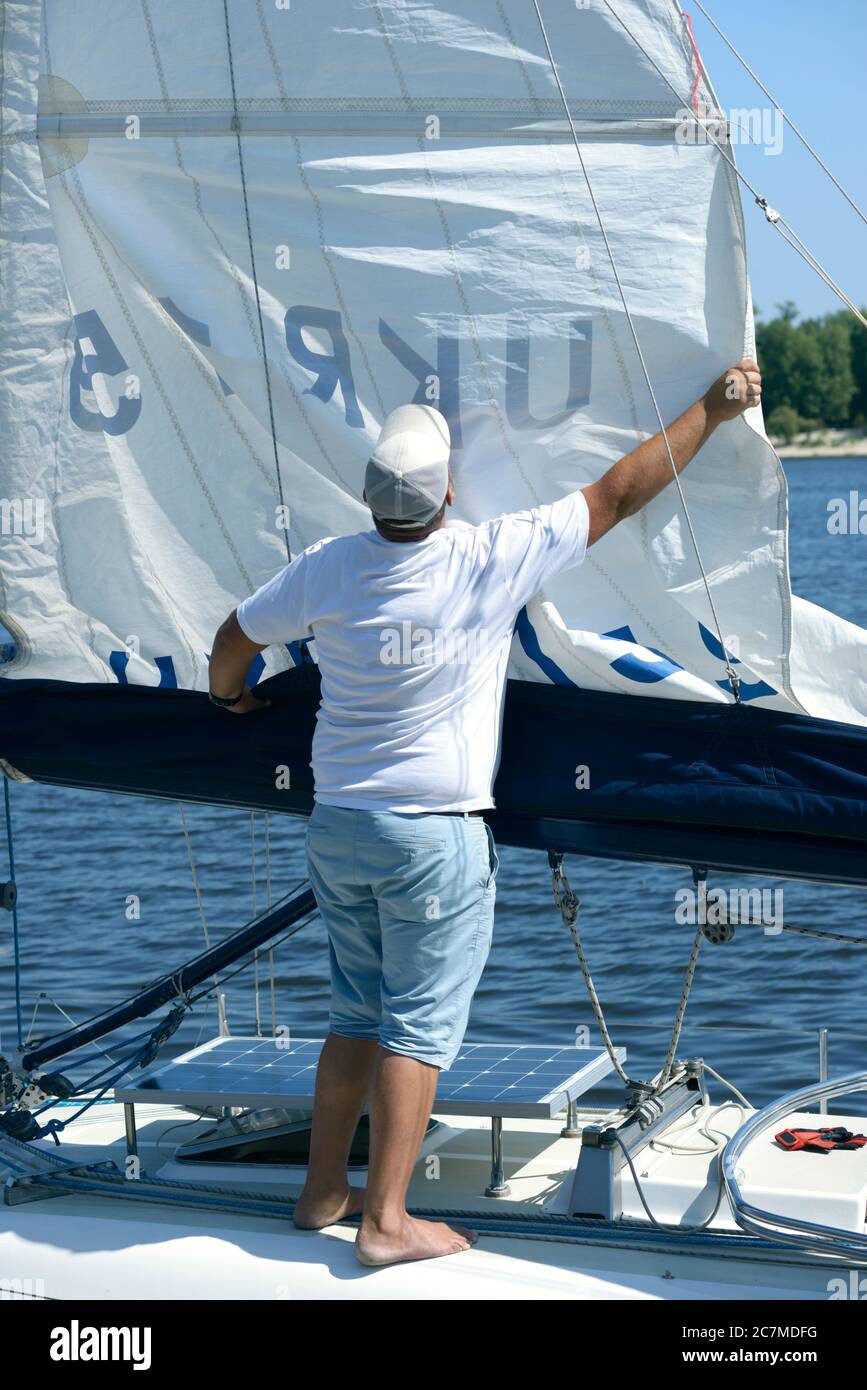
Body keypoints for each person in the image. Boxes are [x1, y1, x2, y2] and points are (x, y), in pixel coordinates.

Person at [208, 359, 762, 1266]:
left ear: (366, 497)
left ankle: (321, 1193)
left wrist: (227, 700)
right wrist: (712, 404)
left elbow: (233, 641)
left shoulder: (325, 570)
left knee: (355, 1011)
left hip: (337, 823)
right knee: (416, 1028)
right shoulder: (485, 555)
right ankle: (385, 1221)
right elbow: (619, 492)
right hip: (431, 836)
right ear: (449, 494)